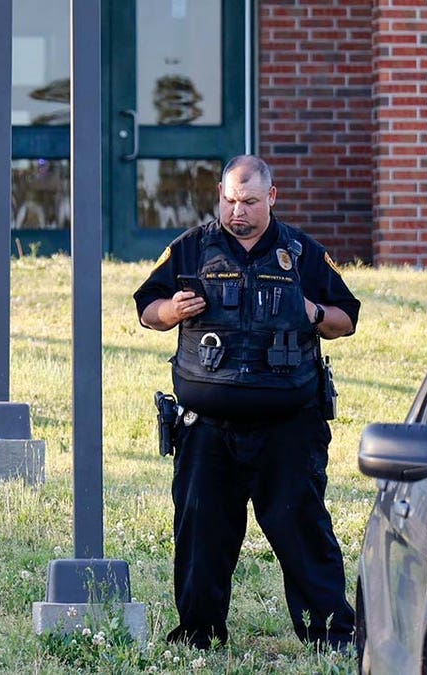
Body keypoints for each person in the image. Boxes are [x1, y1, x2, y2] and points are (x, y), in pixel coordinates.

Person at [133, 155, 360, 651]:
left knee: (302, 532)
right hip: (207, 427)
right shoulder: (190, 249)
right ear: (220, 194)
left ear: (271, 198)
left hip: (287, 426)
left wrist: (313, 311)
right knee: (200, 536)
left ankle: (331, 636)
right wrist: (170, 311)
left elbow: (347, 317)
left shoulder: (302, 253)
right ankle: (198, 636)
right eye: (230, 201)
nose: (238, 212)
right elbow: (146, 307)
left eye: (250, 202)